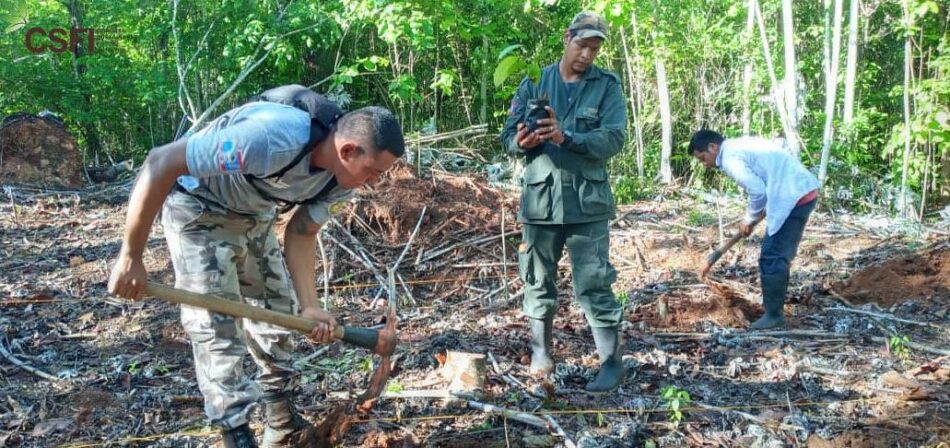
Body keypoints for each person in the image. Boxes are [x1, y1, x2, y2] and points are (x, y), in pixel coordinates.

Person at [108, 89, 404, 448]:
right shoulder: (270, 138)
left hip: (256, 214)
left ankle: (281, 419)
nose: (374, 182)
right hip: (198, 207)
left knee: (278, 313)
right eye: (373, 172)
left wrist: (310, 306)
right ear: (348, 151)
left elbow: (303, 230)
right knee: (216, 327)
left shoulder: (341, 181)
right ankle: (236, 432)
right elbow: (161, 162)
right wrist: (131, 256)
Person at [500, 11, 628, 393]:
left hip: (587, 203)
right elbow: (507, 138)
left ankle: (611, 363)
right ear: (566, 37)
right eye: (582, 45)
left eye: (594, 49)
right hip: (541, 202)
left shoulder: (606, 86)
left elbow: (614, 138)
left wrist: (565, 137)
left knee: (594, 282)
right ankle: (541, 354)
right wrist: (520, 141)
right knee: (537, 279)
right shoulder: (534, 82)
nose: (587, 55)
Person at [687, 130, 819, 330]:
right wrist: (758, 213)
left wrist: (748, 219)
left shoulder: (730, 158)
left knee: (772, 255)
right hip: (798, 189)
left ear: (713, 147)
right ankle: (773, 310)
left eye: (702, 158)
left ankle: (773, 316)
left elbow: (757, 191)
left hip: (793, 195)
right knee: (777, 253)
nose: (705, 164)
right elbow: (766, 178)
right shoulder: (739, 145)